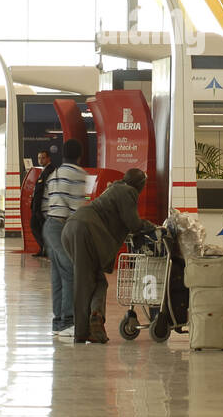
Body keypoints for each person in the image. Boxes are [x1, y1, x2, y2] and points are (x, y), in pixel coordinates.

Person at [61, 168, 154, 344]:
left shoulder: (114, 188)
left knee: (97, 281)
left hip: (71, 227)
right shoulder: (128, 191)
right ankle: (81, 333)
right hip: (86, 230)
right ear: (140, 185)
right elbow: (133, 223)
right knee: (84, 283)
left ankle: (96, 317)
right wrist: (149, 225)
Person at [41, 140, 86, 337]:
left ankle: (58, 322)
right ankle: (68, 321)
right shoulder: (78, 174)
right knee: (70, 272)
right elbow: (77, 208)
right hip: (63, 227)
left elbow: (44, 204)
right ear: (79, 156)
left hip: (49, 225)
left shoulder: (54, 174)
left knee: (57, 275)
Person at [29, 146, 59, 259]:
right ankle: (43, 249)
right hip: (38, 207)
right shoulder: (44, 171)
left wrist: (37, 207)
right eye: (39, 158)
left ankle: (46, 249)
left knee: (42, 228)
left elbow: (42, 191)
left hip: (44, 207)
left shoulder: (50, 171)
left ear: (48, 159)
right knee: (37, 227)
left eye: (43, 158)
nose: (40, 160)